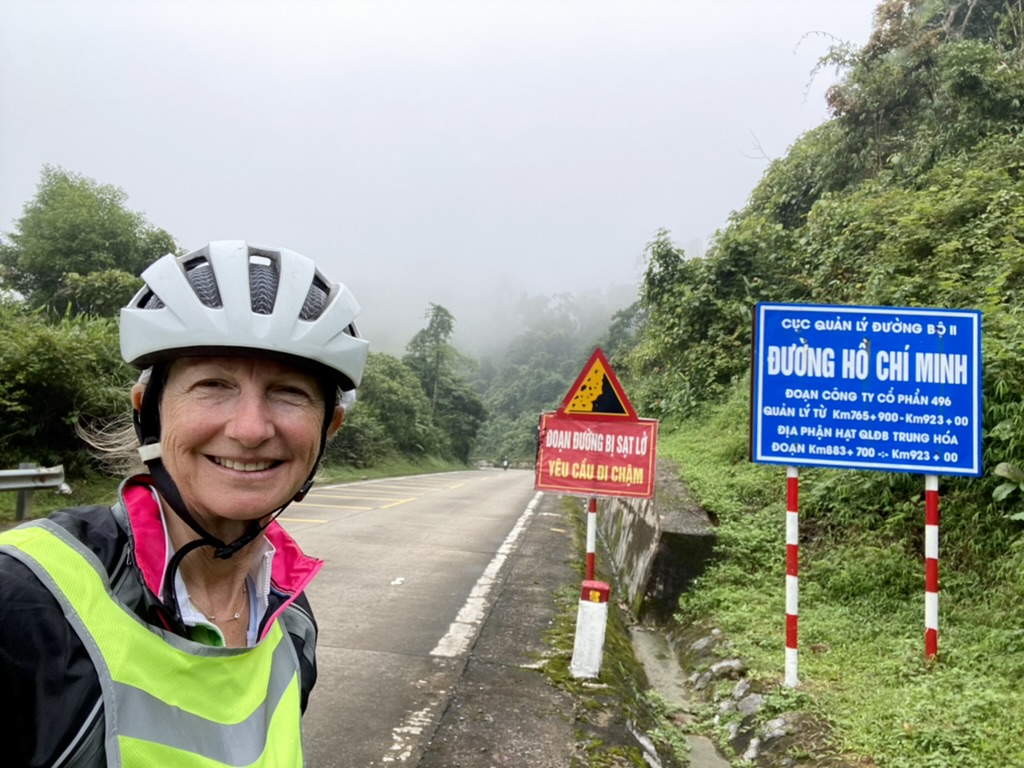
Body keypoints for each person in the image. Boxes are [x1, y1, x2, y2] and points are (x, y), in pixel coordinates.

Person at [0, 240, 369, 767]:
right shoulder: (21, 600)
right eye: (212, 385)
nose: (249, 429)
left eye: (289, 392)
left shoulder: (291, 620)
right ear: (148, 412)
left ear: (327, 428)